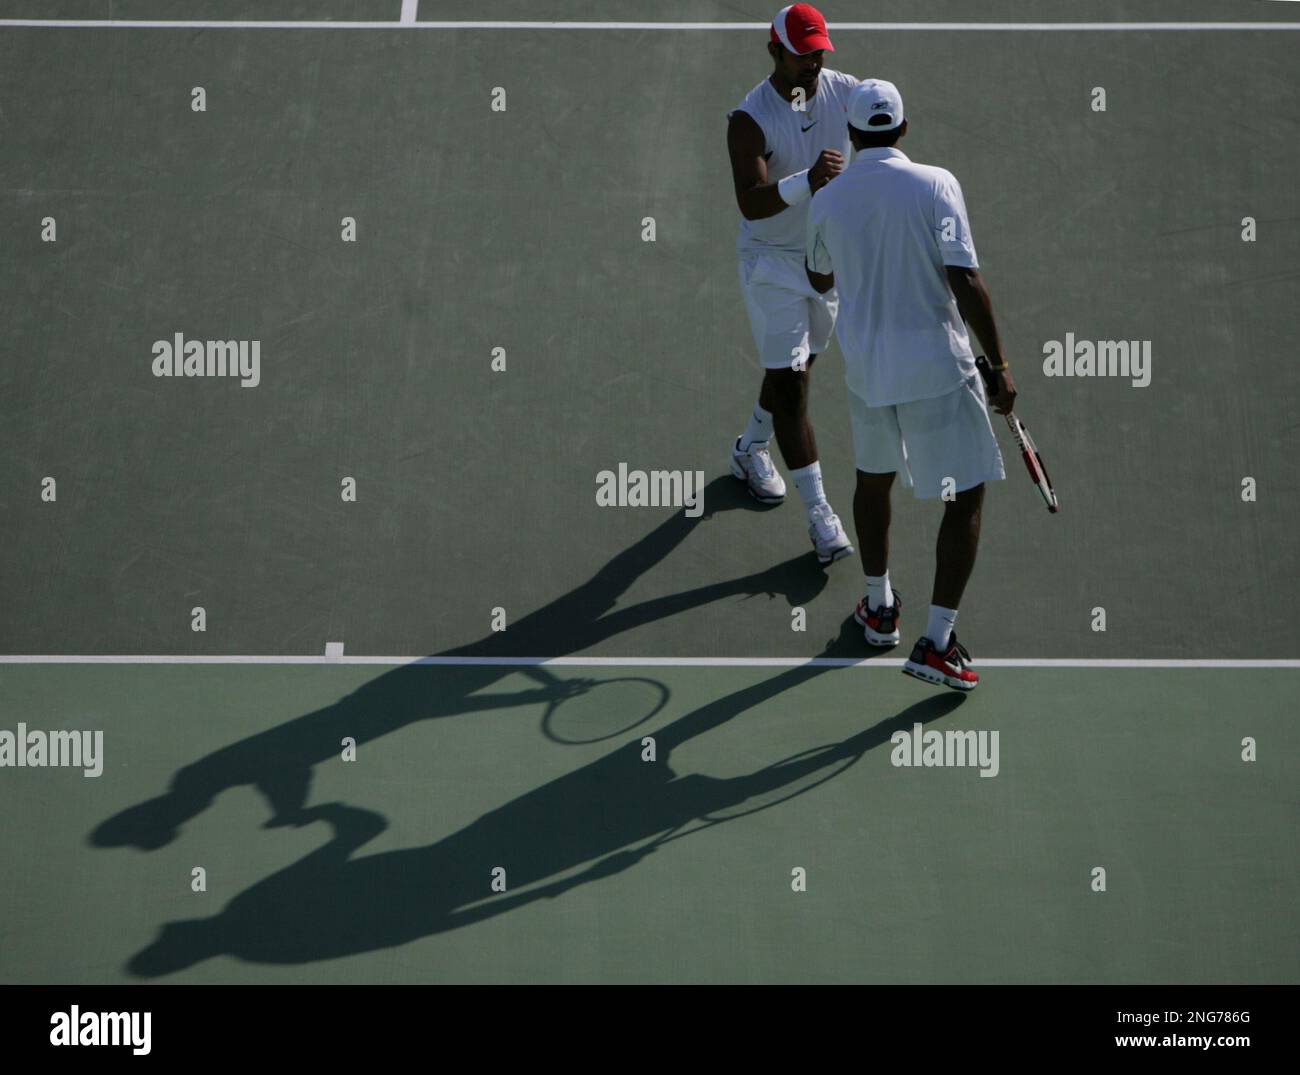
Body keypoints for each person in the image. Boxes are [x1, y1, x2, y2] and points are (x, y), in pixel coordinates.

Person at [804, 79, 1018, 691]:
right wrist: (999, 366)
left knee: (873, 480)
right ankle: (938, 642)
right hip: (938, 372)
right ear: (903, 127)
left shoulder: (828, 199)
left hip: (869, 372)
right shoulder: (937, 183)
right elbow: (965, 277)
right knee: (966, 496)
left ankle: (878, 607)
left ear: (852, 131)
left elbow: (819, 282)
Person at [726, 3, 857, 565]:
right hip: (772, 263)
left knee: (796, 370)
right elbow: (753, 205)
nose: (813, 63)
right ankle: (821, 516)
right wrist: (811, 179)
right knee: (793, 384)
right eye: (802, 54)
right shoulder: (748, 119)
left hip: (826, 260)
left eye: (819, 52)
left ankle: (749, 448)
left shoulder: (845, 91)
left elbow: (883, 132)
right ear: (774, 50)